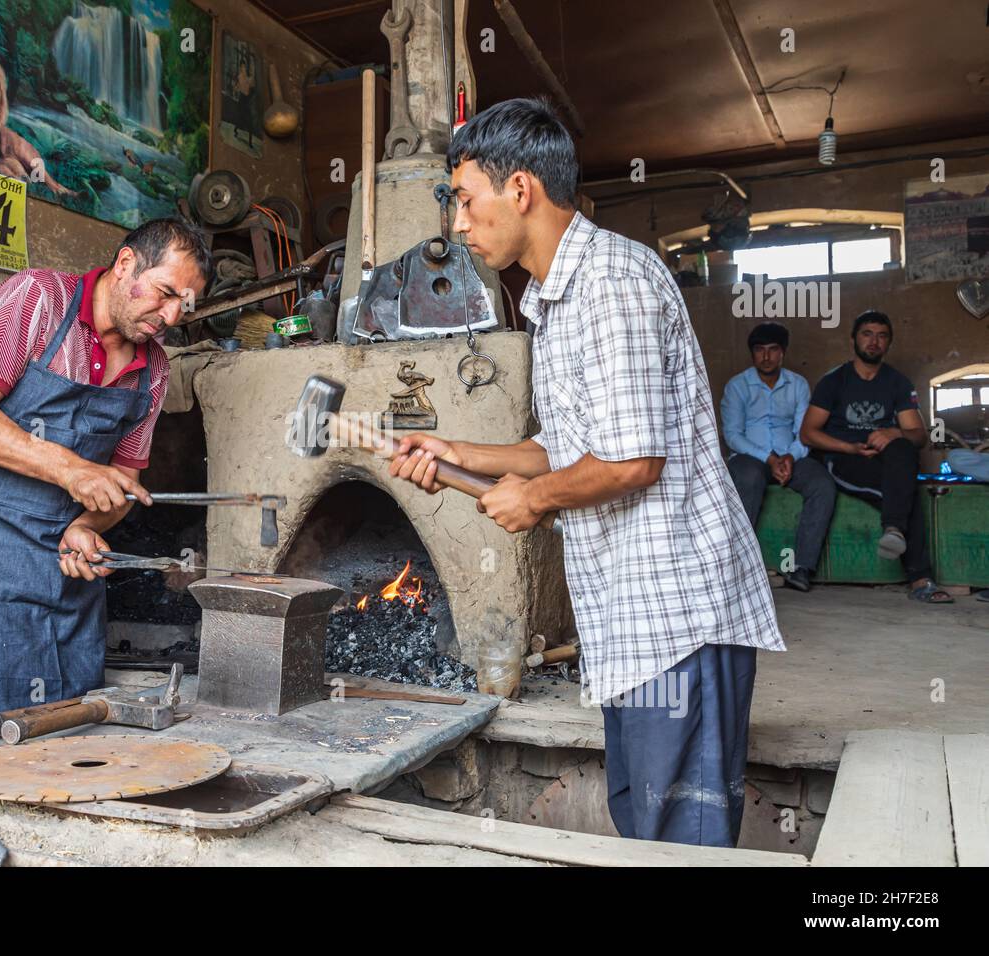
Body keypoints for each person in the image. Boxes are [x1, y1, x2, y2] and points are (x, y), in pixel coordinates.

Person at [387, 98, 783, 847]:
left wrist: (533, 500)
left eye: (466, 201)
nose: (461, 225)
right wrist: (462, 454)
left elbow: (635, 460)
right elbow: (573, 445)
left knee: (682, 836)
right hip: (631, 619)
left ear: (522, 191)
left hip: (680, 619)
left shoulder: (612, 283)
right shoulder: (553, 300)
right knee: (642, 818)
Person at [0, 218, 212, 757]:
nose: (171, 316)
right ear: (126, 264)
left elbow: (124, 484)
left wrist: (85, 525)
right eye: (166, 293)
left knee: (73, 720)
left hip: (70, 571)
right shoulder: (36, 302)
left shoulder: (153, 371)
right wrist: (70, 469)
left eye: (184, 304)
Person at [799, 310, 953, 604]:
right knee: (905, 495)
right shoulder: (835, 381)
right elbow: (808, 434)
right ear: (854, 339)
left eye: (882, 336)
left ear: (889, 343)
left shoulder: (897, 382)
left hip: (885, 460)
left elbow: (919, 435)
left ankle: (894, 529)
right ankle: (921, 579)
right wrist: (850, 448)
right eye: (867, 334)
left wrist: (894, 432)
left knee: (903, 446)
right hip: (842, 458)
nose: (874, 341)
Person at [721, 322, 836, 591]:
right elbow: (733, 436)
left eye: (773, 350)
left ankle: (802, 569)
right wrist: (769, 458)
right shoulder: (737, 386)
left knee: (823, 484)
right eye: (760, 350)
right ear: (752, 354)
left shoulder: (797, 385)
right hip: (750, 457)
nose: (766, 356)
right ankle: (738, 569)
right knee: (749, 477)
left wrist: (789, 457)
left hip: (790, 458)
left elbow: (804, 433)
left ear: (783, 353)